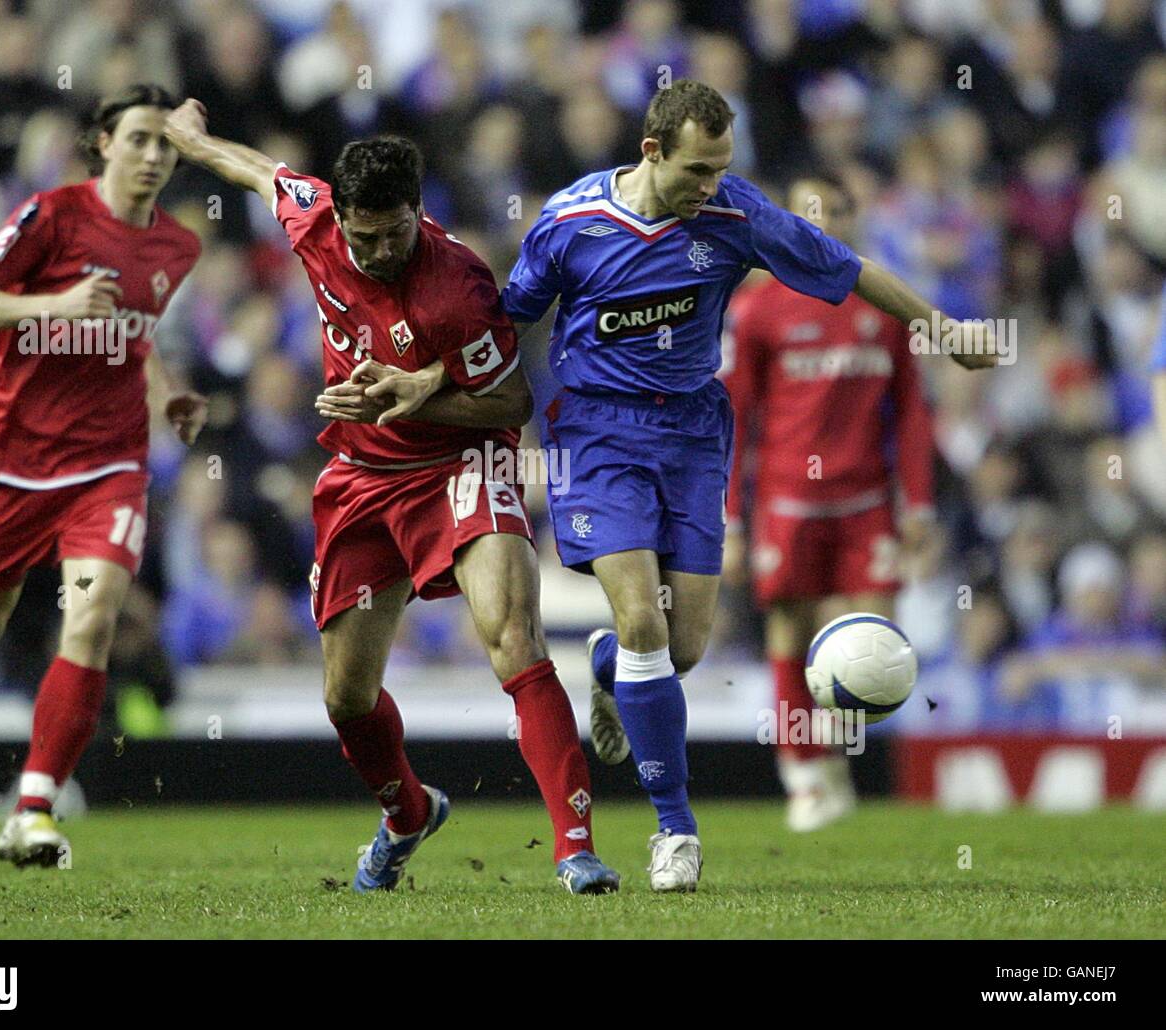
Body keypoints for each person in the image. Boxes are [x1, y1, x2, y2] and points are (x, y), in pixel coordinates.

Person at [497, 79, 995, 892]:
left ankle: (607, 664)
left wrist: (943, 329)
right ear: (652, 152)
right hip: (596, 430)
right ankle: (675, 830)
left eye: (722, 168)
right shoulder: (570, 221)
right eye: (698, 170)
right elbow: (508, 317)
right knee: (643, 622)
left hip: (693, 433)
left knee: (681, 646)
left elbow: (850, 268)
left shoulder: (735, 214)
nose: (710, 186)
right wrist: (437, 391)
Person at [162, 99, 619, 894]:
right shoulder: (313, 223)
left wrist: (415, 397)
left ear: (418, 212)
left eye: (394, 232)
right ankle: (408, 812)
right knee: (346, 697)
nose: (377, 251)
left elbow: (510, 403)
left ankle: (574, 850)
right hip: (363, 478)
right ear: (338, 213)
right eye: (363, 235)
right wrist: (195, 143)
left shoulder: (457, 286)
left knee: (512, 637)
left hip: (460, 462)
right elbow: (259, 170)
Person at [0, 84, 206, 866]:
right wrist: (57, 304)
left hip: (111, 463)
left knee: (94, 618)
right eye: (137, 138)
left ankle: (32, 807)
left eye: (164, 144)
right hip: (16, 460)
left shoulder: (176, 248)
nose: (151, 157)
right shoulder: (51, 216)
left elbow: (133, 340)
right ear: (102, 143)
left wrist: (167, 395)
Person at [720, 175, 935, 831]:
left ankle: (835, 755)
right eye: (810, 211)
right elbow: (735, 418)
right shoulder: (759, 309)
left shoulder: (883, 304)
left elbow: (914, 415)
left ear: (853, 215)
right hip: (788, 502)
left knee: (876, 639)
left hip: (866, 500)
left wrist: (919, 504)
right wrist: (728, 520)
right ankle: (804, 774)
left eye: (836, 210)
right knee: (791, 633)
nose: (825, 222)